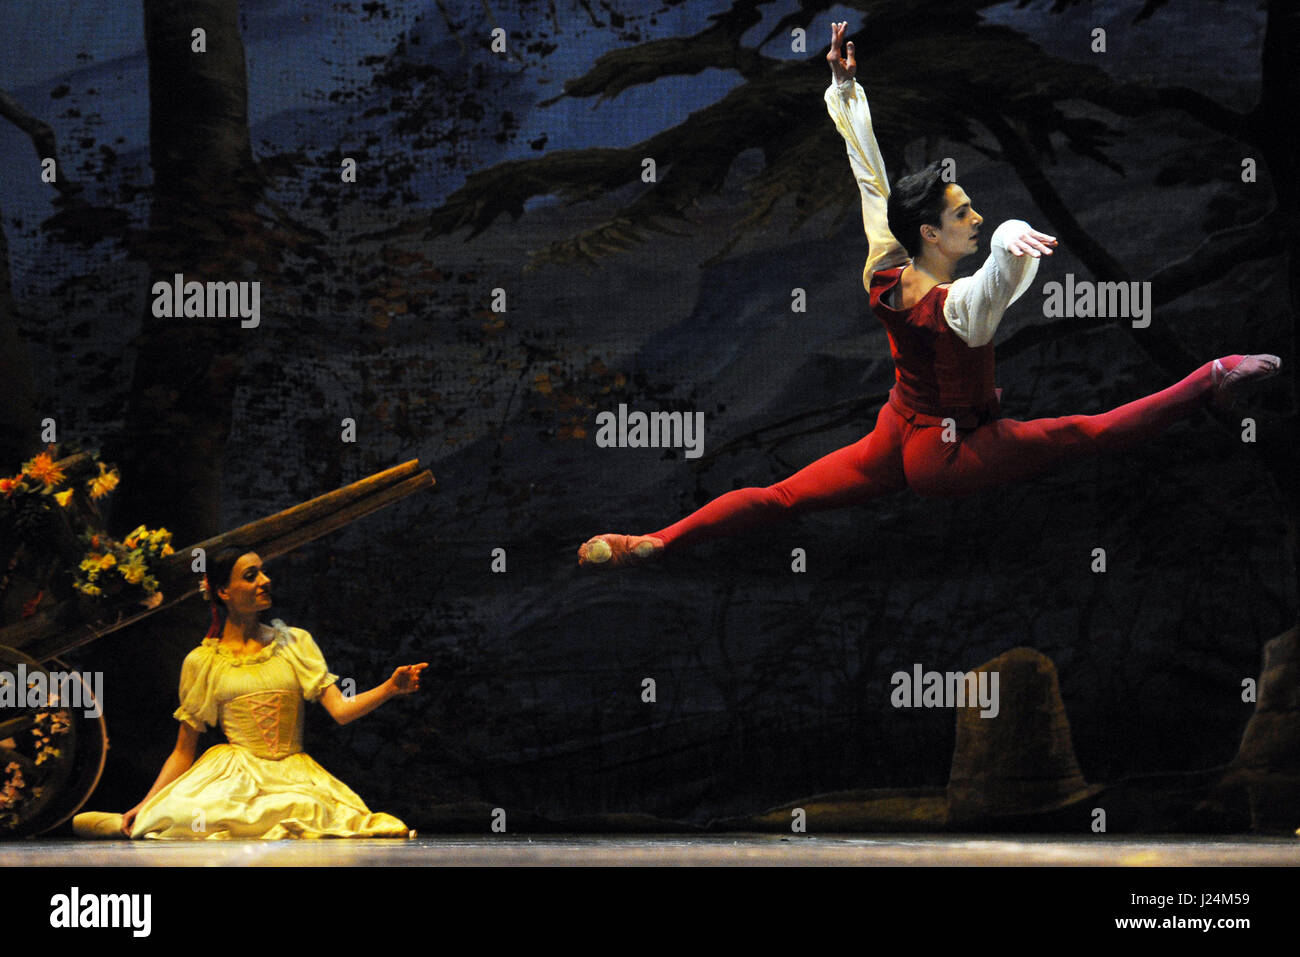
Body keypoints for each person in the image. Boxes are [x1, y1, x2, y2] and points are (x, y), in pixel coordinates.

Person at [576, 20, 1280, 568]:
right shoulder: (956, 309)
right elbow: (996, 280)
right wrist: (1008, 237)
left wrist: (847, 93)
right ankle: (1211, 377)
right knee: (1082, 433)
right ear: (932, 233)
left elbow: (868, 176)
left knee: (782, 497)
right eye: (964, 213)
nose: (973, 217)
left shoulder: (886, 263)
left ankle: (657, 539)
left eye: (976, 210)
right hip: (944, 456)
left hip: (899, 429)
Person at [72, 547, 427, 839]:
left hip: (292, 772)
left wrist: (390, 688)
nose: (265, 581)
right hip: (234, 773)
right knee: (183, 814)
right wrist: (146, 804)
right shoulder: (203, 661)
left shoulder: (294, 642)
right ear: (223, 591)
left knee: (318, 815)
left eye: (263, 572)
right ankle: (125, 821)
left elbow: (341, 710)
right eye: (251, 575)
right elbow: (183, 751)